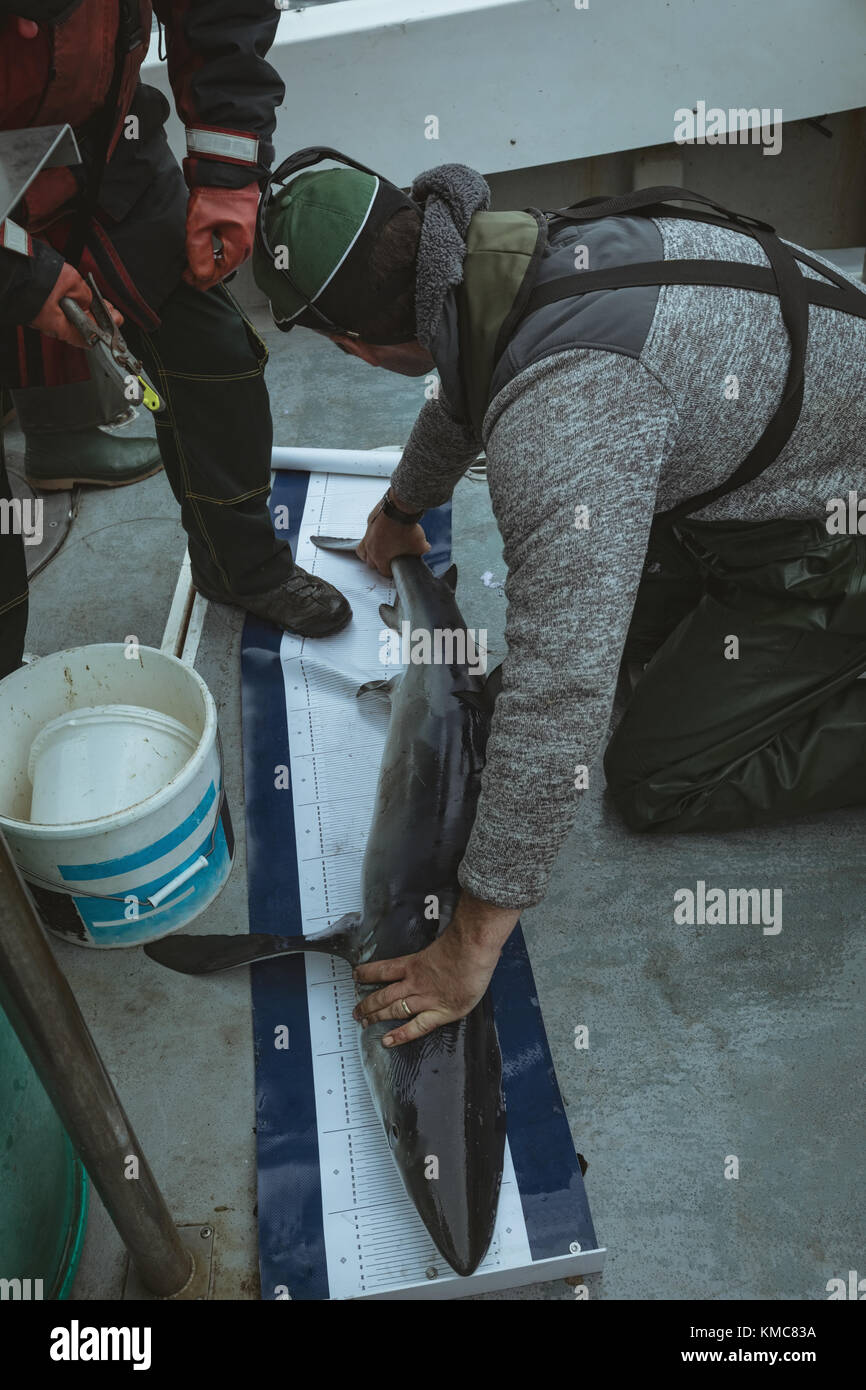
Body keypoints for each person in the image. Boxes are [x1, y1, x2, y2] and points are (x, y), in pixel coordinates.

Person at [251, 151, 866, 1046]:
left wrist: (466, 943)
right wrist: (400, 510)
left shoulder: (566, 421)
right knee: (620, 644)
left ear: (354, 348)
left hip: (832, 533)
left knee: (654, 775)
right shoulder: (520, 251)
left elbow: (561, 696)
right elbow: (472, 379)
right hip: (780, 461)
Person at [0, 1, 351, 681]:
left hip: (104, 153)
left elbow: (224, 16)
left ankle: (241, 569)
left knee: (215, 359)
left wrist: (226, 176)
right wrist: (21, 274)